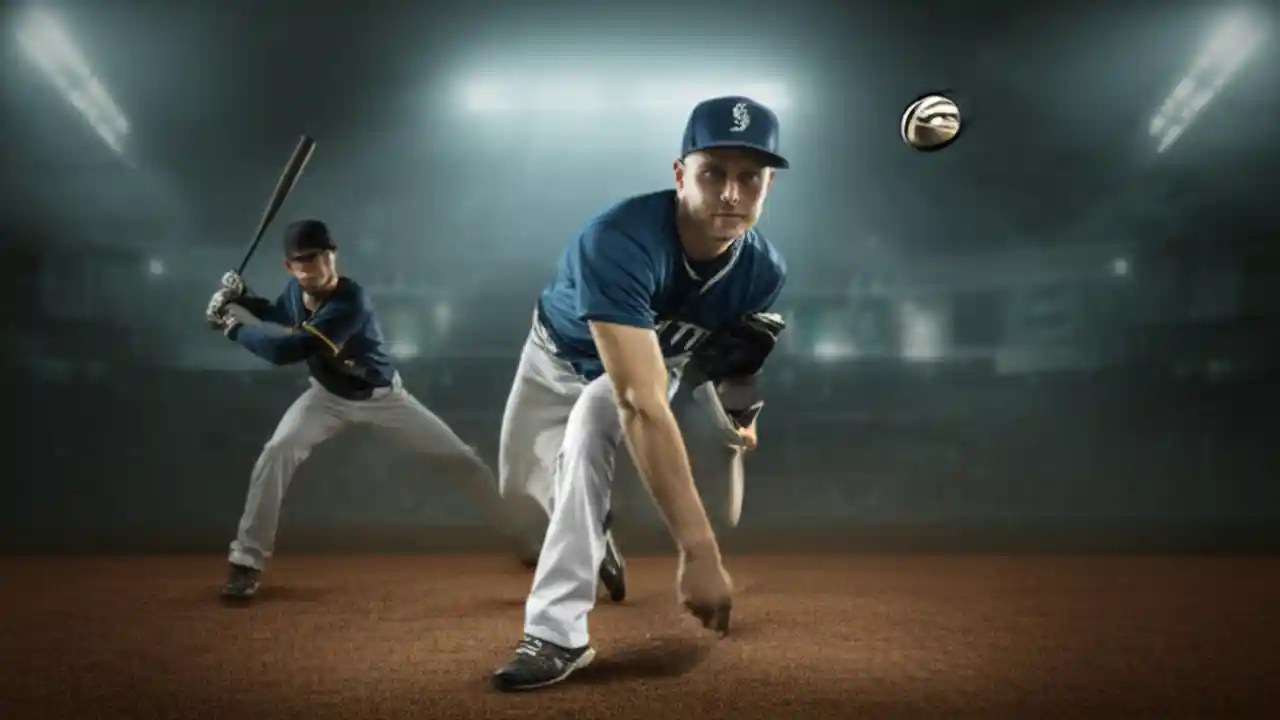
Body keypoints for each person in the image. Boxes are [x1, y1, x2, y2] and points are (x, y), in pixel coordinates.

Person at [492, 95, 789, 691]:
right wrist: (700, 551)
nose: (732, 193)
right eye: (713, 173)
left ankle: (556, 634)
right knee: (520, 498)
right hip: (553, 359)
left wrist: (742, 413)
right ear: (680, 175)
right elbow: (642, 406)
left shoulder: (764, 271)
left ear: (769, 186)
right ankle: (594, 535)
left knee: (590, 424)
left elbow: (734, 357)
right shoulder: (619, 239)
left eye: (750, 177)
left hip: (645, 369)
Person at [205, 219, 530, 602]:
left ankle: (523, 536)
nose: (314, 266)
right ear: (289, 267)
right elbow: (279, 313)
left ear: (333, 255)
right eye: (303, 260)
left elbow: (284, 351)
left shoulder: (349, 302)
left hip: (384, 398)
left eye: (320, 256)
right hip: (325, 398)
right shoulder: (295, 292)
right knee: (276, 453)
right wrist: (243, 298)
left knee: (464, 460)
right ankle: (246, 562)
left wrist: (232, 326)